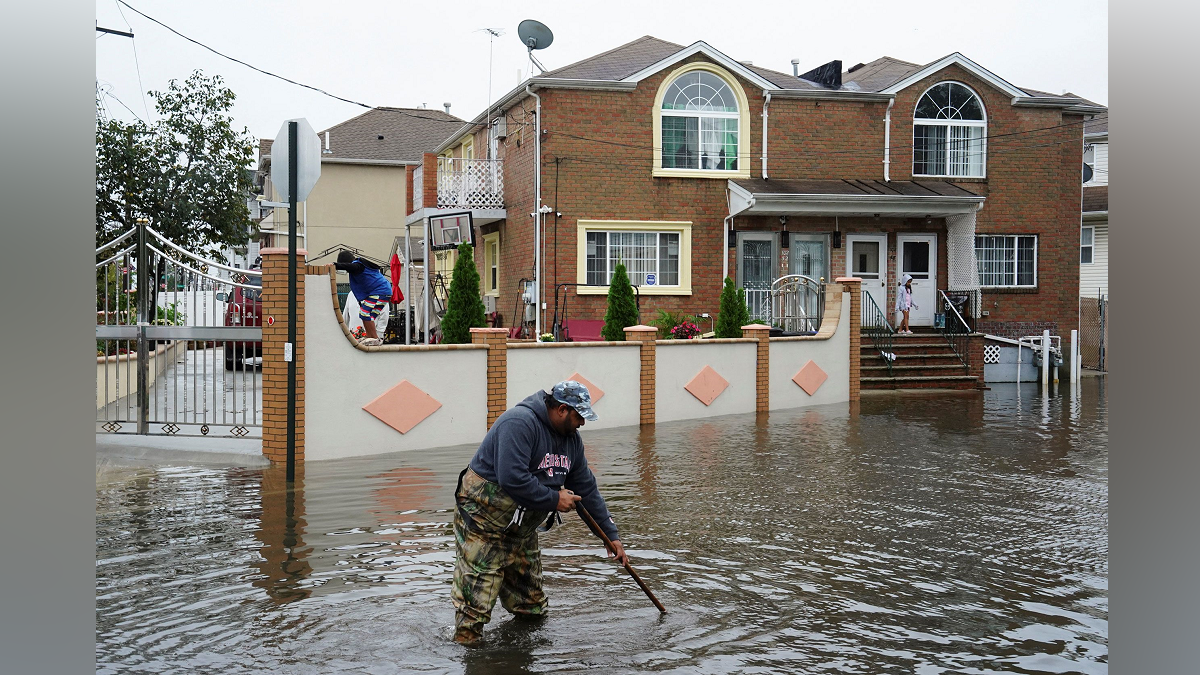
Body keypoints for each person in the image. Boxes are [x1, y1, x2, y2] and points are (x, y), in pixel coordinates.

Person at [451, 380, 627, 644]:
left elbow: (586, 490)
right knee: (473, 615)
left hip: (521, 529)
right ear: (562, 410)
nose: (582, 424)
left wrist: (610, 536)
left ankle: (518, 658)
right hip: (483, 524)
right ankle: (471, 658)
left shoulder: (572, 442)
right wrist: (555, 499)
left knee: (532, 608)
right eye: (579, 416)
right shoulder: (519, 423)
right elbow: (512, 478)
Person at [333, 250, 392, 346]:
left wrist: (334, 265)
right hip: (383, 291)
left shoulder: (358, 265)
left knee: (365, 313)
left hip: (380, 291)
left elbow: (352, 267)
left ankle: (374, 338)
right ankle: (370, 336)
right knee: (367, 315)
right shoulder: (361, 267)